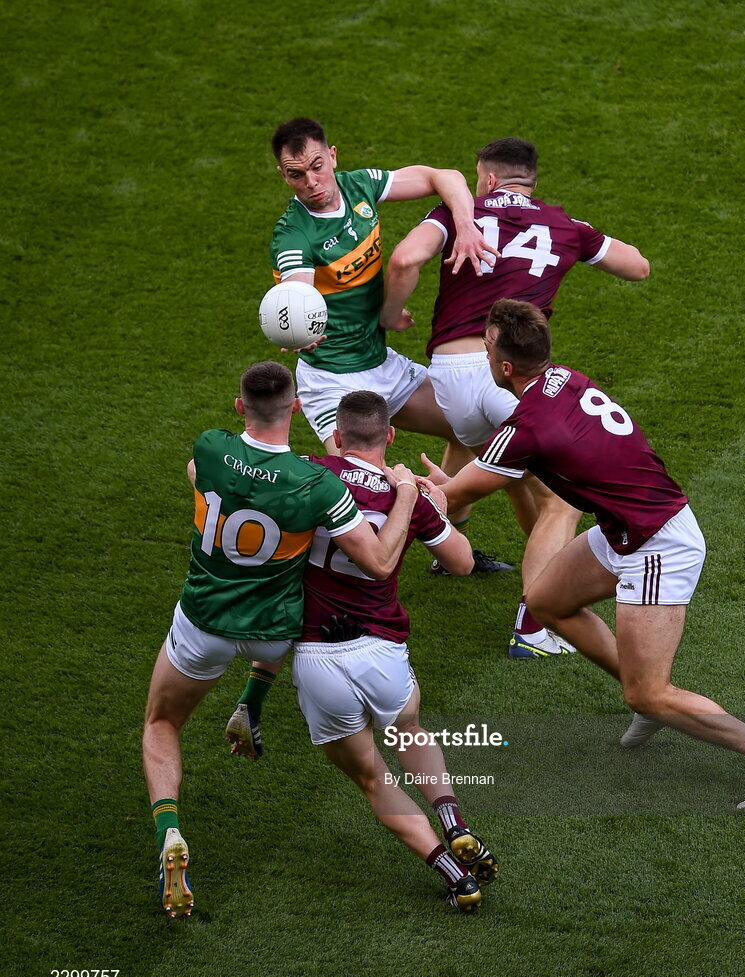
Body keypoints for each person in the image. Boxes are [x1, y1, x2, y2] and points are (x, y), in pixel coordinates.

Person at [420, 299, 745, 811]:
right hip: (628, 527)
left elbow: (451, 499)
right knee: (546, 602)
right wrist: (450, 487)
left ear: (505, 367)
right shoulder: (564, 378)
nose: (485, 355)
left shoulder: (529, 425)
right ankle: (651, 702)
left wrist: (409, 485)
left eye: (488, 348)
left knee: (647, 691)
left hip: (657, 545)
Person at [143, 362, 422, 918]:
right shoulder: (317, 484)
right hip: (276, 636)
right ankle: (253, 700)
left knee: (162, 723)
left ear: (238, 405)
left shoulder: (213, 445)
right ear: (295, 409)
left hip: (204, 625)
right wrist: (409, 492)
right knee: (291, 608)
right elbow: (381, 560)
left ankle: (170, 834)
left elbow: (195, 472)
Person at [227, 391, 498, 911]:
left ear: (339, 435)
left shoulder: (307, 472)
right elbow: (462, 563)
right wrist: (429, 502)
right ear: (390, 435)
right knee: (409, 729)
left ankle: (455, 878)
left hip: (316, 657)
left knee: (374, 780)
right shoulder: (408, 494)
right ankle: (453, 819)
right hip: (382, 651)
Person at [380, 137, 650, 656]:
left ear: (484, 178)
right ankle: (534, 622)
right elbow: (637, 266)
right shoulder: (565, 226)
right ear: (532, 178)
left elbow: (404, 260)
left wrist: (390, 315)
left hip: (450, 377)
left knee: (502, 465)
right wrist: (581, 244)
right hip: (506, 378)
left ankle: (450, 539)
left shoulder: (462, 210)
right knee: (562, 501)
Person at [267, 116, 509, 575]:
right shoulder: (294, 236)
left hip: (382, 363)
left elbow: (447, 178)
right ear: (284, 176)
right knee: (354, 494)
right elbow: (297, 285)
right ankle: (327, 582)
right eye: (297, 174)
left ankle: (450, 537)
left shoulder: (360, 187)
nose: (312, 182)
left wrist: (465, 223)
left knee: (470, 425)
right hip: (333, 384)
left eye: (318, 166)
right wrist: (301, 318)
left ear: (333, 155)